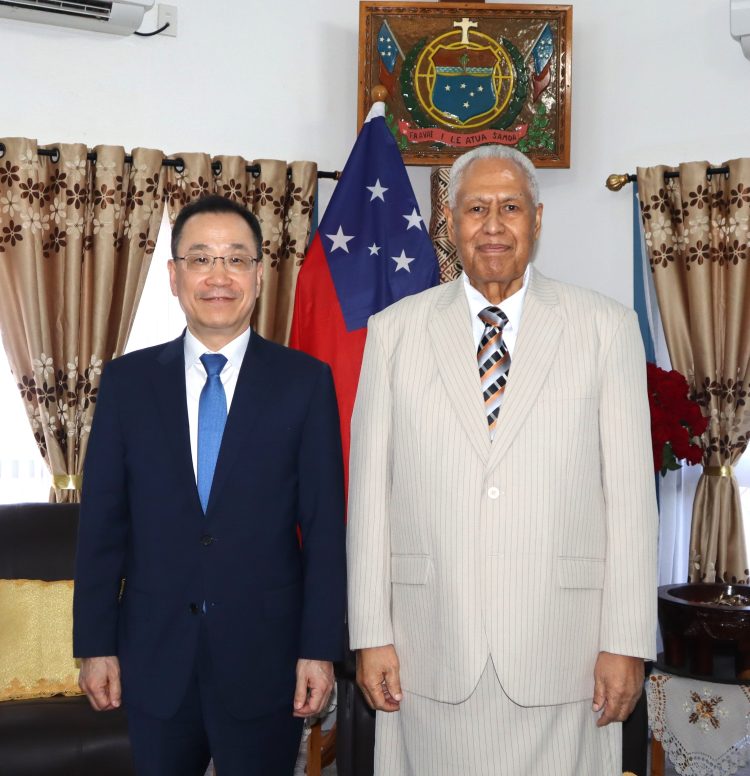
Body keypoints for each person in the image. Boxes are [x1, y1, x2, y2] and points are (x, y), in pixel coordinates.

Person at [346, 145, 657, 775]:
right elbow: (370, 496)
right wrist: (370, 633)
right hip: (430, 649)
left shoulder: (606, 328)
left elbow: (630, 500)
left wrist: (626, 641)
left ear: (537, 220)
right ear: (449, 222)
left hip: (566, 653)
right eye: (476, 209)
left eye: (510, 207)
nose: (493, 225)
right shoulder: (394, 332)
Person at [73, 194, 346, 776]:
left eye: (236, 259)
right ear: (174, 276)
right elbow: (102, 526)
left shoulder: (304, 383)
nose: (219, 277)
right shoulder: (127, 383)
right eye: (200, 259)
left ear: (259, 275)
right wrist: (94, 644)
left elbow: (326, 531)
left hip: (266, 659)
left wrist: (319, 649)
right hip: (154, 658)